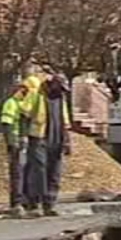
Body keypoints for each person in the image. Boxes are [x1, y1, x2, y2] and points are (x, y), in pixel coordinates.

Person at [18, 66, 74, 217]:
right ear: (53, 83)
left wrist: (67, 141)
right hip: (39, 138)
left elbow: (65, 120)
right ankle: (34, 203)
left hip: (57, 138)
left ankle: (50, 204)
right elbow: (24, 112)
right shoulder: (37, 93)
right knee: (38, 171)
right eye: (60, 87)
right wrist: (22, 135)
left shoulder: (60, 97)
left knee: (54, 171)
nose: (61, 91)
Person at [0, 72, 40, 215]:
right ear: (23, 89)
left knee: (29, 172)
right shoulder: (11, 103)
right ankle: (16, 203)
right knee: (18, 173)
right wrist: (12, 142)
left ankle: (28, 200)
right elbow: (7, 124)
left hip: (28, 141)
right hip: (17, 142)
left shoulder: (27, 105)